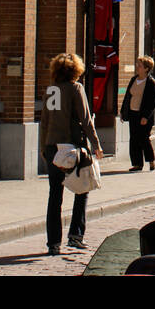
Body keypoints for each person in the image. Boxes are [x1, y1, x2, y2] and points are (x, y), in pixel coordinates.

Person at [40, 52, 102, 255]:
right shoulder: (76, 88)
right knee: (82, 188)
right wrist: (96, 144)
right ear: (76, 70)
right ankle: (76, 235)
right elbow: (86, 119)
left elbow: (45, 121)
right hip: (72, 148)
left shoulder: (51, 90)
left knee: (54, 195)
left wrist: (43, 147)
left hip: (52, 147)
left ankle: (53, 242)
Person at [121, 55, 155, 172]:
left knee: (144, 138)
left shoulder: (151, 82)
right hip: (133, 113)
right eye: (137, 65)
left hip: (144, 115)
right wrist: (123, 111)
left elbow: (153, 102)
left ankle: (151, 159)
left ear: (147, 68)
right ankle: (137, 164)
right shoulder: (134, 80)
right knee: (134, 138)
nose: (138, 67)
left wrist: (146, 116)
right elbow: (128, 96)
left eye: (140, 66)